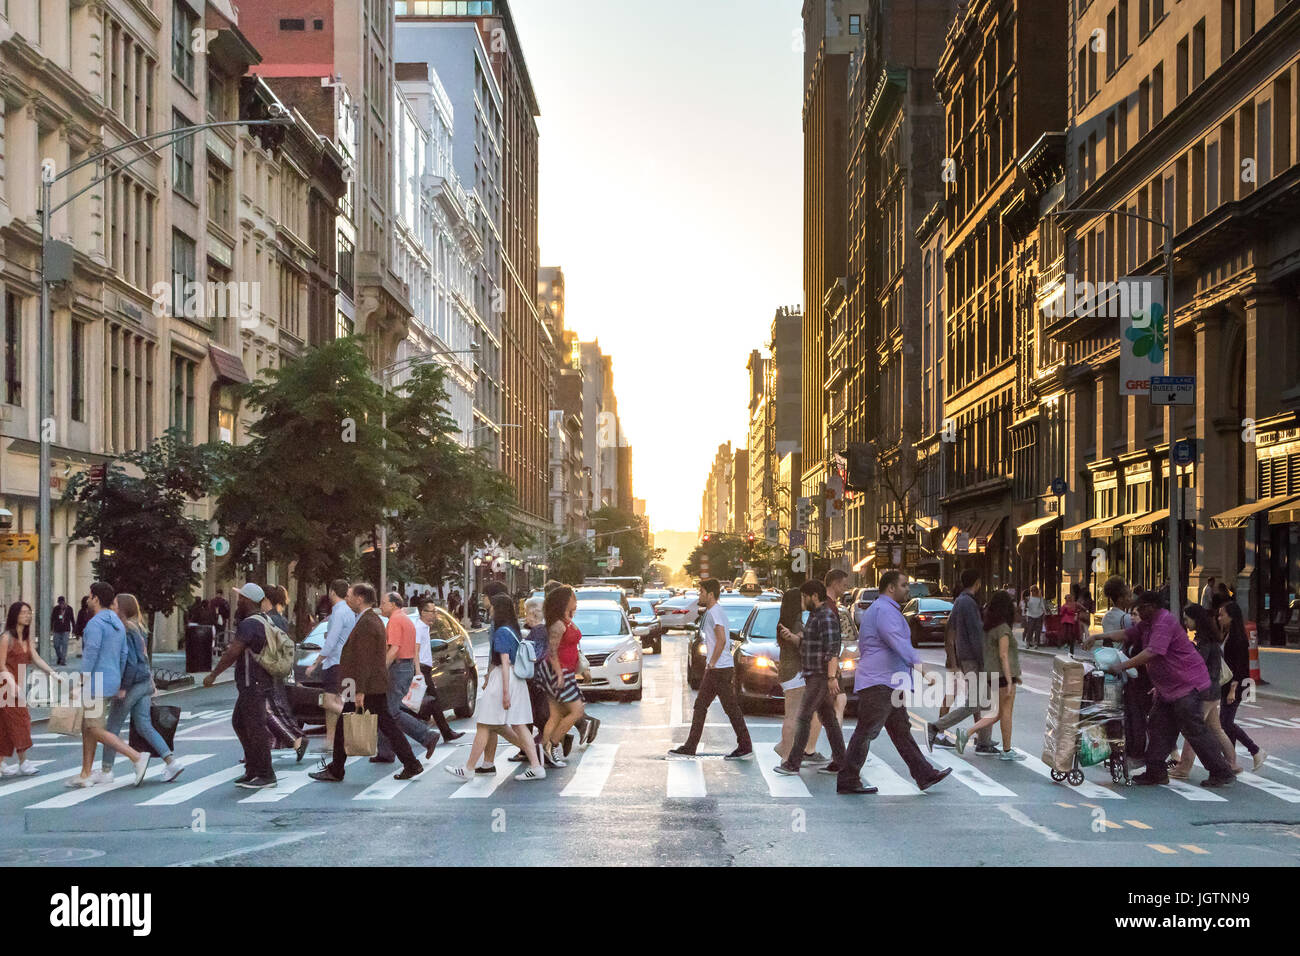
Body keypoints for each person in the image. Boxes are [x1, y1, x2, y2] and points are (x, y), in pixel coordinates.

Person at [1093, 589, 1235, 787]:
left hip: (1187, 685)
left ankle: (1222, 771)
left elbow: (1153, 652)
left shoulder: (1164, 622)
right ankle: (1156, 772)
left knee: (1194, 729)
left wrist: (1121, 666)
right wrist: (1097, 636)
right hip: (1169, 688)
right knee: (1158, 726)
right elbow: (1127, 634)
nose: (1138, 612)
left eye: (1141, 608)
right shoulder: (1148, 624)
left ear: (1152, 607)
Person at [837, 571, 953, 794]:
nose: (907, 589)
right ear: (891, 588)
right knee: (866, 730)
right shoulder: (883, 611)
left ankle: (924, 774)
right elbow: (897, 641)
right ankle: (848, 778)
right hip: (880, 681)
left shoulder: (885, 609)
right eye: (904, 585)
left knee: (901, 731)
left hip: (889, 681)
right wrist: (922, 669)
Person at [309, 583, 425, 783]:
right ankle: (410, 763)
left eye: (350, 596)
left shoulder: (367, 623)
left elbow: (365, 660)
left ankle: (337, 769)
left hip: (366, 686)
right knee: (385, 724)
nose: (347, 599)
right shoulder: (369, 620)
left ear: (360, 599)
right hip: (369, 684)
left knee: (361, 724)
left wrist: (360, 691)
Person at [444, 594, 544, 782]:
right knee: (519, 725)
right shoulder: (513, 629)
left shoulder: (501, 632)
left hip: (503, 680)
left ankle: (469, 768)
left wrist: (505, 692)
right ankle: (537, 765)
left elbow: (504, 663)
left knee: (484, 725)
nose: (489, 611)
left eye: (492, 608)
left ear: (498, 610)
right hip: (517, 680)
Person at [96, 593, 184, 783]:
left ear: (122, 609)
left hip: (132, 685)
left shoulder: (125, 630)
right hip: (143, 683)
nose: (111, 606)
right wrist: (151, 682)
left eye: (114, 604)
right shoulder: (138, 628)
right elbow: (143, 659)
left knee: (111, 728)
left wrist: (122, 687)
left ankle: (106, 771)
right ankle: (171, 762)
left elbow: (131, 663)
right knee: (144, 725)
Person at [69, 582, 150, 788]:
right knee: (88, 727)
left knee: (93, 727)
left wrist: (80, 682)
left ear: (95, 598)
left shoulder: (95, 624)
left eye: (89, 595)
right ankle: (86, 773)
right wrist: (117, 677)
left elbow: (91, 654)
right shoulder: (116, 622)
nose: (88, 599)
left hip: (95, 682)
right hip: (111, 679)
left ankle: (136, 757)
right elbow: (123, 655)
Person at [203, 583, 278, 790]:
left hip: (251, 682)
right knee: (240, 722)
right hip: (257, 681)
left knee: (255, 727)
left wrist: (213, 675)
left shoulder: (249, 624)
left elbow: (233, 653)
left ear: (248, 600)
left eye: (241, 598)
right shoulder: (264, 619)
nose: (238, 601)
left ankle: (265, 773)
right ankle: (253, 769)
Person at [671, 578, 753, 761]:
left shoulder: (714, 612)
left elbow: (722, 639)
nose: (699, 595)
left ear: (710, 594)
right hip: (722, 667)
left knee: (707, 706)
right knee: (720, 707)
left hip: (719, 668)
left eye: (701, 592)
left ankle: (692, 746)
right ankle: (744, 744)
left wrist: (712, 663)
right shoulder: (714, 611)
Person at [772, 579, 845, 775]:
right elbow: (809, 645)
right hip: (813, 674)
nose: (802, 601)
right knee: (829, 720)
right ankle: (841, 761)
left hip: (820, 676)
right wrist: (794, 637)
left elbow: (832, 649)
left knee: (803, 718)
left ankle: (792, 764)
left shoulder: (826, 616)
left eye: (805, 596)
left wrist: (831, 678)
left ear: (814, 596)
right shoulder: (814, 616)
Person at [926, 569, 997, 755]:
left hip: (966, 658)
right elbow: (975, 635)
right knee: (974, 703)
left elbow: (952, 630)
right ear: (977, 582)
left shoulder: (960, 601)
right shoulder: (967, 603)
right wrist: (984, 661)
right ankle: (936, 726)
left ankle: (984, 741)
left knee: (986, 701)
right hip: (973, 659)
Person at [1170, 604, 1240, 777]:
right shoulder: (1209, 639)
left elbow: (1196, 664)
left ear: (1196, 619)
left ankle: (1184, 767)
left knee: (1192, 729)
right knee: (1216, 730)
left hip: (1205, 691)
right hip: (1213, 690)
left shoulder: (1204, 642)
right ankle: (1232, 763)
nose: (1185, 622)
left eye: (1187, 619)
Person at [953, 589, 1023, 758]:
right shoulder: (1003, 628)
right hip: (1004, 676)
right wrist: (1009, 679)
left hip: (993, 675)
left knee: (998, 713)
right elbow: (1004, 655)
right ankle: (1007, 750)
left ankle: (967, 733)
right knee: (1006, 713)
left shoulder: (989, 627)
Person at [373, 592, 438, 765]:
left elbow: (394, 649)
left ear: (393, 605)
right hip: (405, 666)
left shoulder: (395, 620)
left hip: (399, 667)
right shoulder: (405, 619)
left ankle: (426, 735)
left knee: (390, 710)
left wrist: (381, 669)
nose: (381, 606)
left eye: (384, 603)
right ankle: (385, 751)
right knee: (385, 709)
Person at [0, 601, 61, 777]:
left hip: (17, 686)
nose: (28, 615)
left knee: (5, 726)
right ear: (14, 615)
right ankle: (23, 761)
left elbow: (36, 658)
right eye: (24, 612)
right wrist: (11, 684)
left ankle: (1, 763)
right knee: (22, 721)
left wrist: (53, 674)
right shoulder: (6, 638)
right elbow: (1, 665)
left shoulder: (25, 638)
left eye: (29, 612)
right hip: (6, 686)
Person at [1093, 575, 1147, 763]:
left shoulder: (1108, 615)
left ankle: (1117, 746)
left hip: (1109, 664)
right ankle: (1131, 747)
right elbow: (1130, 636)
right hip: (1123, 665)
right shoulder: (1125, 618)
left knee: (1114, 710)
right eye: (1127, 593)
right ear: (1122, 597)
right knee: (1130, 710)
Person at [540, 586, 590, 767]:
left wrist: (583, 668)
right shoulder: (558, 625)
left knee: (555, 715)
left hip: (566, 671)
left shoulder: (566, 620)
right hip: (558, 672)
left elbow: (574, 647)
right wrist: (560, 675)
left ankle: (546, 752)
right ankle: (551, 746)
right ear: (564, 600)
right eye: (572, 597)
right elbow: (552, 652)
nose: (575, 600)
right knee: (576, 710)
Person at [306, 579, 355, 755]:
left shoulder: (338, 612)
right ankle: (330, 741)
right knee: (331, 705)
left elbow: (332, 641)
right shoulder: (348, 612)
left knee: (329, 702)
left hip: (335, 661)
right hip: (342, 661)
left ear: (332, 592)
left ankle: (353, 719)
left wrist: (315, 663)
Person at [1217, 599, 1266, 771]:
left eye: (1222, 615)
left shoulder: (1237, 638)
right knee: (1226, 723)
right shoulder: (1228, 634)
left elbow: (1240, 667)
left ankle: (1255, 750)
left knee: (1226, 724)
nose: (1219, 618)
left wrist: (1232, 690)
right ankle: (1231, 762)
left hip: (1235, 686)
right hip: (1227, 685)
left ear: (1231, 617)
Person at [261, 586, 308, 763]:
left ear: (267, 600)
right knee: (271, 709)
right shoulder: (280, 619)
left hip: (271, 671)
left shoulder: (272, 619)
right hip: (278, 670)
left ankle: (294, 740)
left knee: (269, 710)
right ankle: (267, 746)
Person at [775, 587, 818, 763]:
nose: (805, 599)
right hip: (794, 673)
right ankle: (786, 758)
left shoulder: (790, 622)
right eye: (802, 597)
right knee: (791, 716)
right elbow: (802, 646)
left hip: (790, 672)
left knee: (799, 714)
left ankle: (783, 747)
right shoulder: (794, 624)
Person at [412, 599, 465, 743]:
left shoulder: (425, 626)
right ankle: (444, 732)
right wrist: (418, 671)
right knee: (430, 701)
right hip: (421, 668)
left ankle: (443, 732)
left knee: (430, 702)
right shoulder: (418, 627)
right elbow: (415, 650)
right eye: (432, 611)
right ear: (423, 612)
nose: (434, 614)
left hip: (425, 668)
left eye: (435, 611)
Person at [50, 596, 74, 667]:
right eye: (59, 603)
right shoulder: (56, 609)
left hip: (66, 630)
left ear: (64, 602)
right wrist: (51, 628)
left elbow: (72, 619)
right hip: (57, 629)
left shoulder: (69, 609)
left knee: (64, 645)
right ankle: (59, 657)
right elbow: (52, 619)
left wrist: (74, 629)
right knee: (56, 645)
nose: (61, 605)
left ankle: (63, 660)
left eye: (62, 603)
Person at [1059, 587, 1080, 657]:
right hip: (1073, 621)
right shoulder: (1075, 604)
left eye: (1065, 598)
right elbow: (1081, 608)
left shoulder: (1065, 605)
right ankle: (1071, 648)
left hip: (1066, 620)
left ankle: (1066, 644)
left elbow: (1061, 613)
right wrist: (1076, 614)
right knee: (1072, 634)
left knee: (1065, 633)